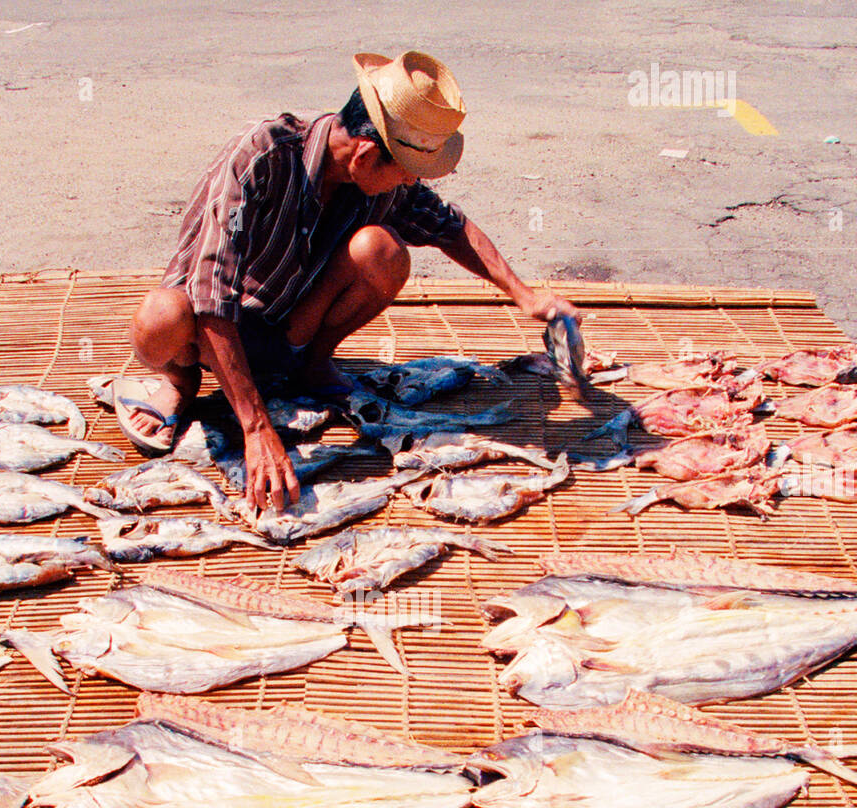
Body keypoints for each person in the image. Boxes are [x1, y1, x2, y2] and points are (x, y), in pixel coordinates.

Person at [126, 49, 580, 511]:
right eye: (404, 173)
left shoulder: (385, 181)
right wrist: (256, 427)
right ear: (364, 155)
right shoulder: (262, 155)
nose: (409, 184)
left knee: (381, 250)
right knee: (162, 314)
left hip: (290, 328)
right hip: (207, 336)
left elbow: (448, 226)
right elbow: (210, 294)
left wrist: (523, 294)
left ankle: (309, 364)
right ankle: (180, 384)